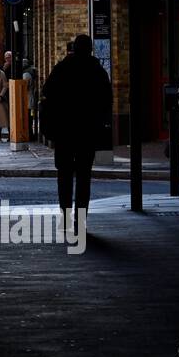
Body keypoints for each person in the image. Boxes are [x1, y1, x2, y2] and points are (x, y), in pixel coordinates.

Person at [40, 34, 113, 236]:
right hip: (87, 132)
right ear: (90, 49)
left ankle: (65, 217)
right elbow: (107, 101)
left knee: (63, 175)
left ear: (74, 49)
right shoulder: (97, 71)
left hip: (64, 131)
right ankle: (81, 221)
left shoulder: (62, 68)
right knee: (83, 177)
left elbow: (47, 91)